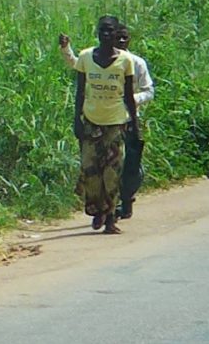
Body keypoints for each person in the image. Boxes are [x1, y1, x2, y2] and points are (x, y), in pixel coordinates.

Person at [58, 16, 137, 234]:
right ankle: (98, 210)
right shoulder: (85, 57)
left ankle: (110, 217)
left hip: (115, 123)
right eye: (102, 30)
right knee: (90, 170)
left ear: (116, 33)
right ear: (97, 32)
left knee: (112, 172)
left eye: (110, 31)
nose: (106, 34)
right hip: (91, 122)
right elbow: (80, 91)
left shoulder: (126, 61)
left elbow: (129, 96)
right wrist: (77, 120)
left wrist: (134, 125)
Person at [115, 21, 155, 220]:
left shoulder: (136, 63)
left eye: (125, 37)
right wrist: (66, 50)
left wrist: (131, 100)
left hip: (130, 118)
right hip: (105, 118)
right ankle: (111, 204)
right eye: (118, 37)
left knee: (130, 162)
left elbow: (149, 91)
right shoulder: (100, 60)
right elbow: (78, 65)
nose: (122, 41)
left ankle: (127, 198)